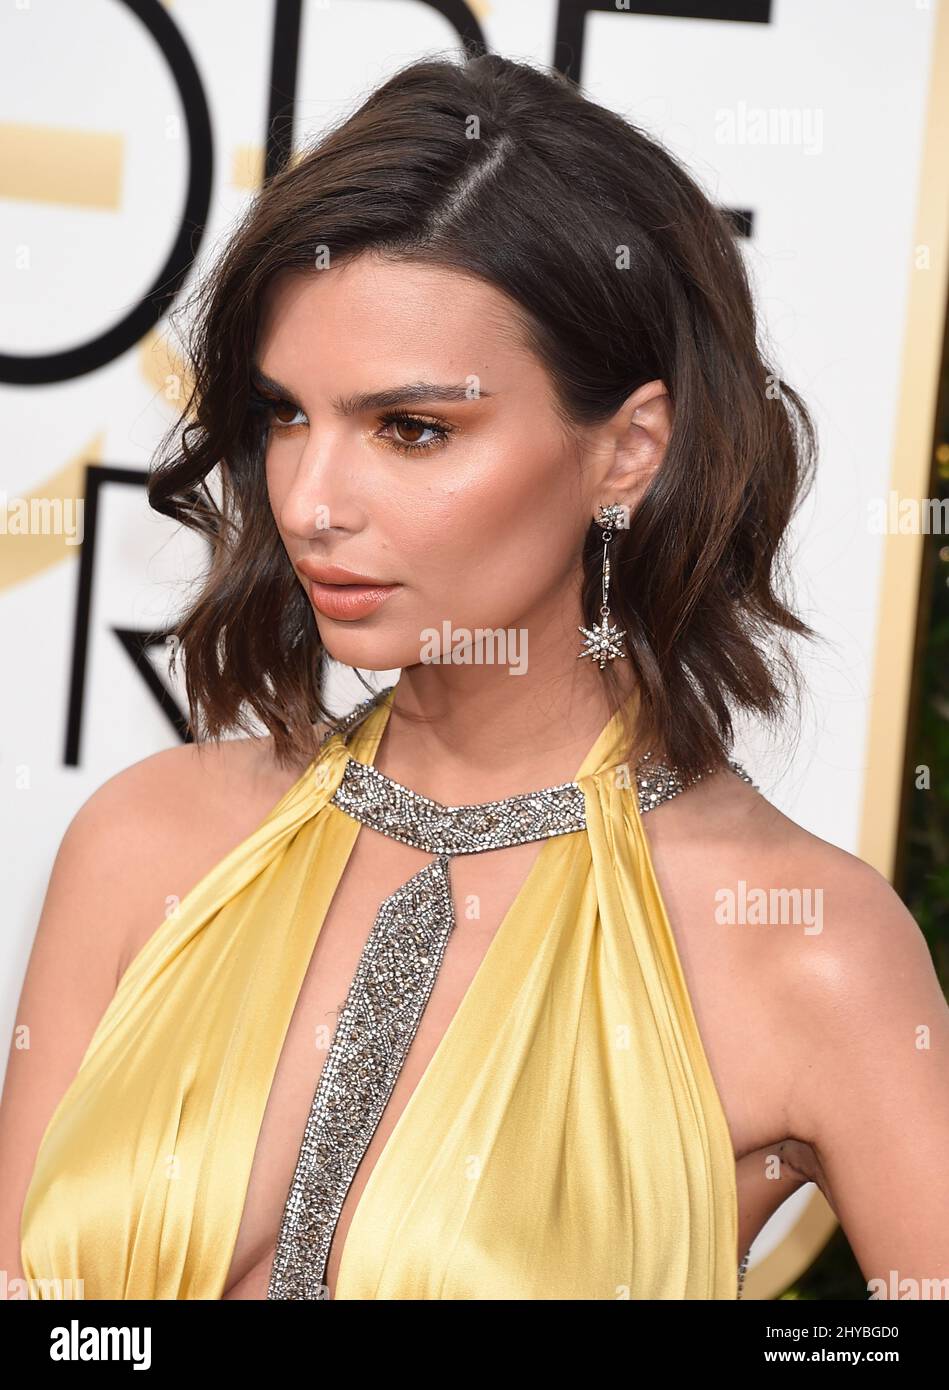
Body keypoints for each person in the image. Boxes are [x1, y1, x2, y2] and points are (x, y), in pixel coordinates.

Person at [3, 50, 946, 1302]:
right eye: (287, 414)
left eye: (412, 429)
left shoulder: (802, 947)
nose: (311, 499)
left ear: (628, 453)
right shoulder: (147, 843)